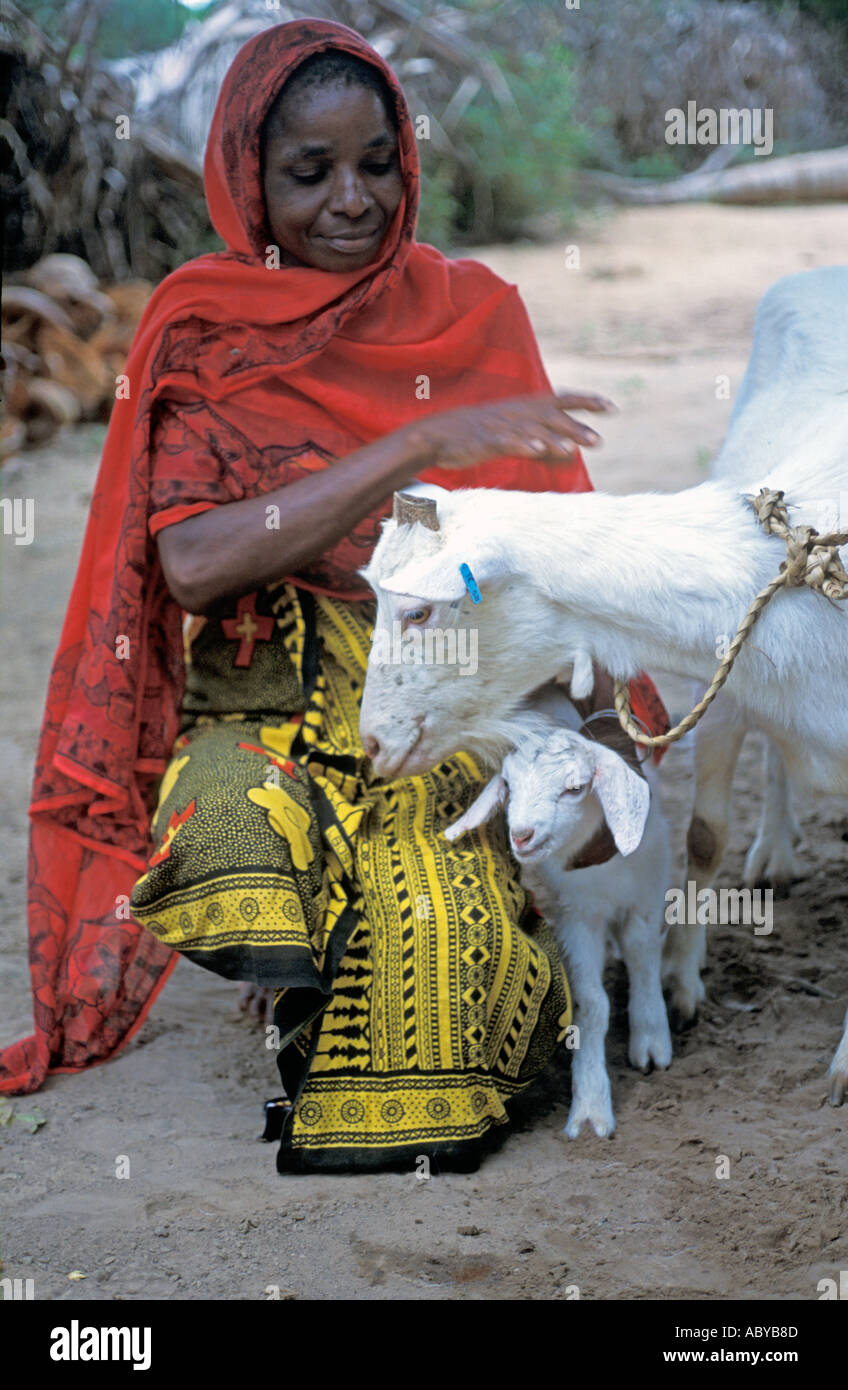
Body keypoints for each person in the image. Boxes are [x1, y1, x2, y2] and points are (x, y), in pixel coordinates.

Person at [0, 20, 668, 1172]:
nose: (351, 199)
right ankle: (301, 958)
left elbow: (568, 554)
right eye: (309, 173)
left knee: (447, 956)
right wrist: (410, 444)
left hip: (447, 701)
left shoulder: (474, 312)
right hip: (266, 701)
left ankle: (365, 968)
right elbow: (198, 563)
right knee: (225, 834)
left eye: (377, 164)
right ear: (248, 178)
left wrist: (614, 736)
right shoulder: (202, 329)